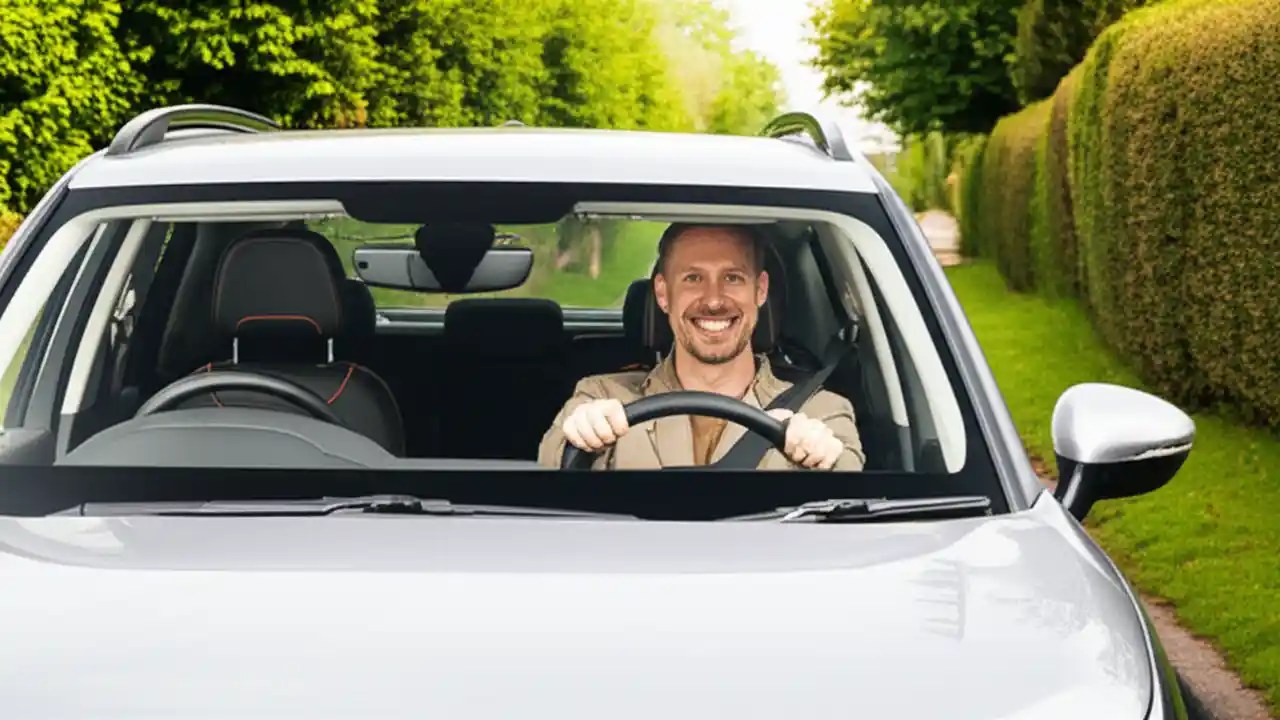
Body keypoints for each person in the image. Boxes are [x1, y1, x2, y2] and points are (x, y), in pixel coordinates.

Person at [537, 223, 865, 470]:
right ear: (663, 294)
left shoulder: (819, 410)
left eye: (732, 278)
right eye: (693, 278)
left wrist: (823, 456)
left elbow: (850, 490)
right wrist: (581, 435)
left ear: (760, 291)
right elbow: (550, 469)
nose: (713, 300)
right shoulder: (602, 397)